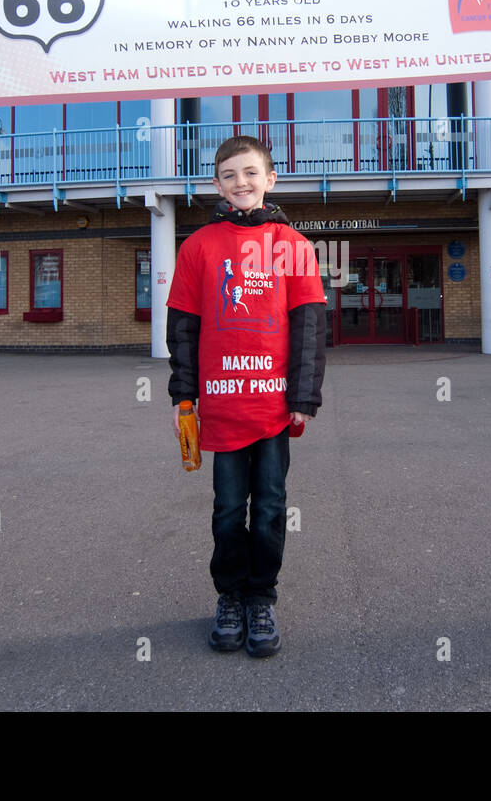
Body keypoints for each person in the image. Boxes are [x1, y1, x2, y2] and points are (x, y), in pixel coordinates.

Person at [166, 136, 327, 657]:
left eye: (250, 172)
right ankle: (230, 597)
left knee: (272, 507)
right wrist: (183, 397)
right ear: (216, 184)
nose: (241, 183)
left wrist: (303, 395)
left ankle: (261, 597)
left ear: (271, 179)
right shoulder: (198, 246)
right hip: (222, 407)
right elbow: (183, 329)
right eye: (230, 175)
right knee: (227, 509)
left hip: (274, 409)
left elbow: (308, 328)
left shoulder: (295, 246)